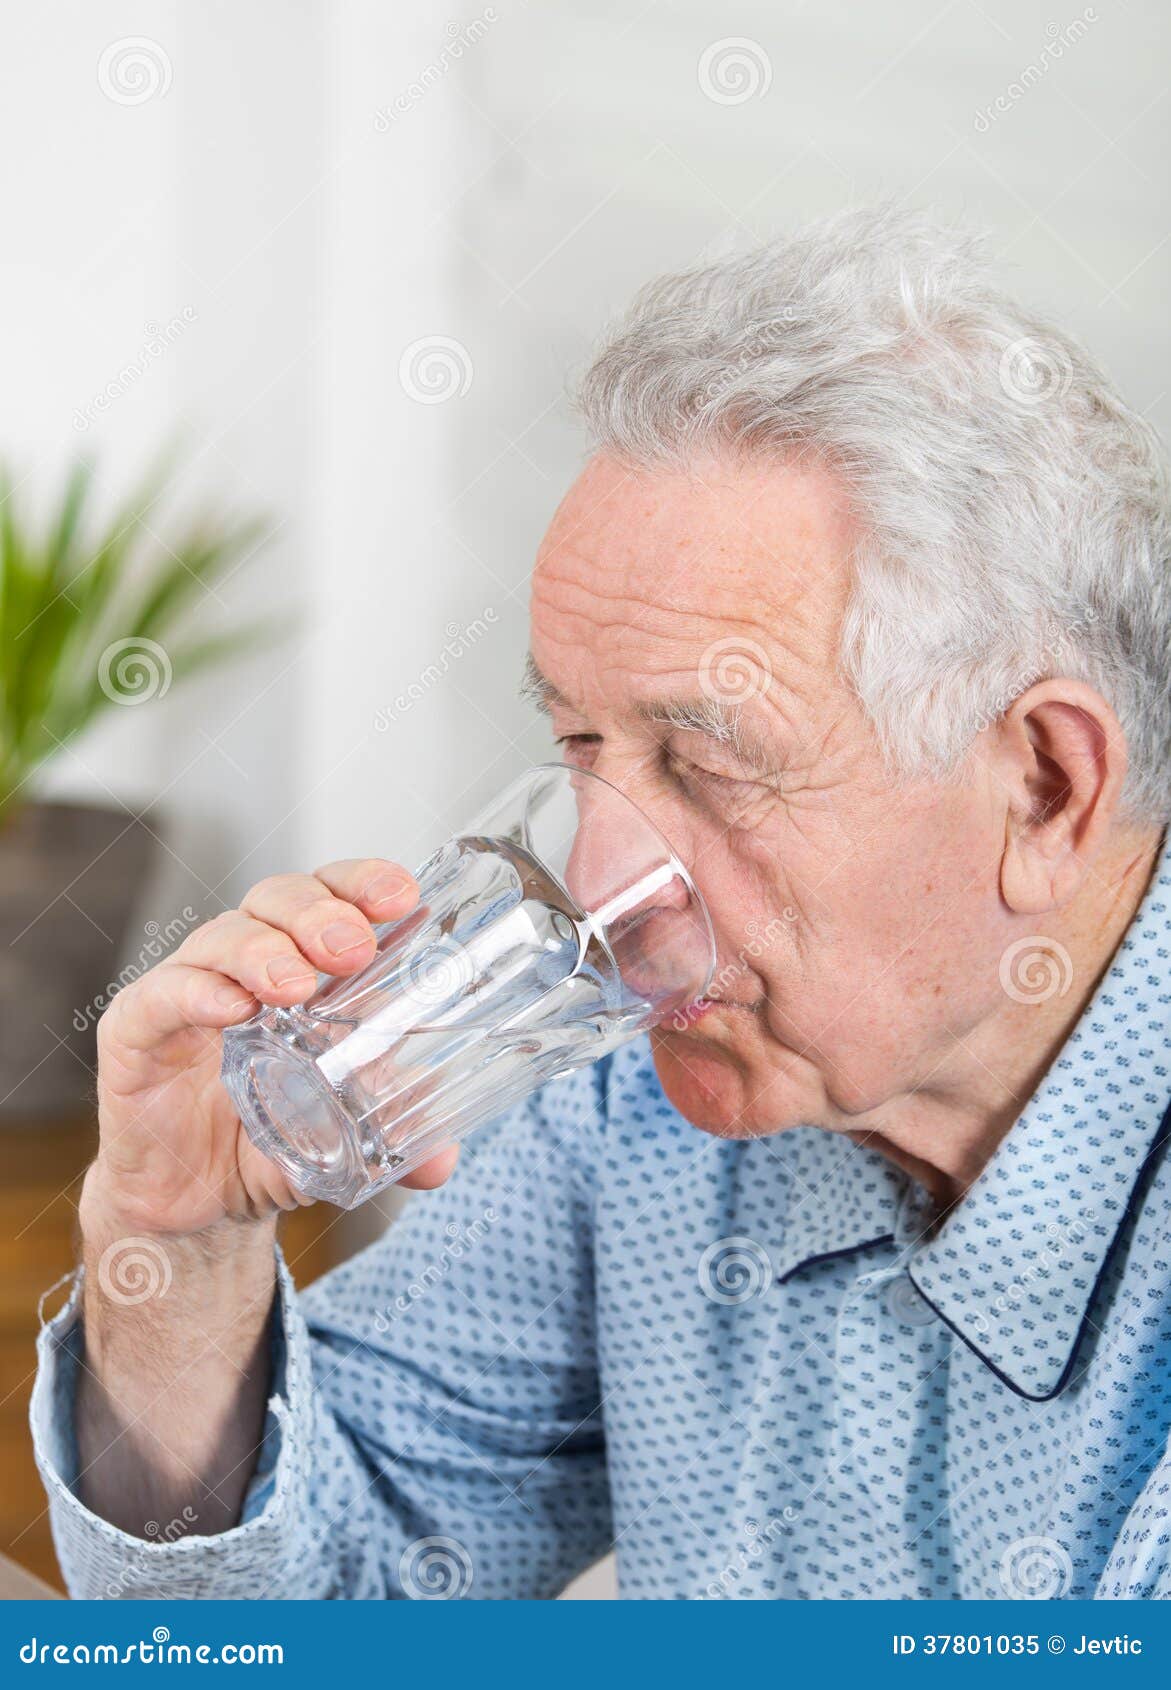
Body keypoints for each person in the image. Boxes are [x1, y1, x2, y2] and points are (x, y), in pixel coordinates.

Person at [32, 207, 1171, 1599]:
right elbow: (296, 1620)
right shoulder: (639, 1107)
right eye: (581, 746)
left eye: (706, 764)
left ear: (1047, 787)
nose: (602, 884)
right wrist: (179, 1247)